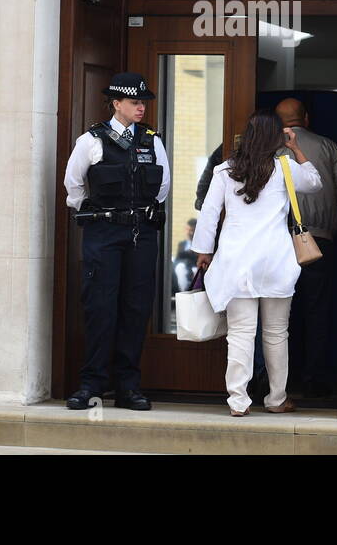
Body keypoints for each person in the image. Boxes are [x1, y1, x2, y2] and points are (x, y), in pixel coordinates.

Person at [191, 110, 322, 416]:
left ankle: (238, 401)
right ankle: (276, 399)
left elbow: (209, 214)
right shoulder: (285, 168)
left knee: (240, 333)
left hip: (237, 264)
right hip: (276, 263)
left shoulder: (225, 171)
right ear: (278, 137)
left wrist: (203, 251)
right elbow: (315, 182)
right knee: (276, 334)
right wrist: (296, 148)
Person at [62, 71, 170, 411]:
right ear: (117, 103)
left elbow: (163, 186)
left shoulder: (152, 140)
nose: (141, 108)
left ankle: (128, 387)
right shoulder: (91, 141)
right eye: (135, 102)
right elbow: (74, 186)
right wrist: (100, 215)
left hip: (141, 233)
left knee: (136, 310)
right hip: (104, 232)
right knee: (100, 308)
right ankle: (91, 385)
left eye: (143, 102)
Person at [274, 97, 337, 397]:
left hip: (278, 241)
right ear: (306, 117)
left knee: (277, 313)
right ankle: (313, 377)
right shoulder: (328, 146)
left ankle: (277, 380)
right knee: (317, 310)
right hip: (319, 240)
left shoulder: (270, 150)